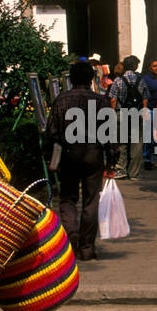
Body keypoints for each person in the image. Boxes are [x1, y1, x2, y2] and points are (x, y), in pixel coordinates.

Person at [45, 60, 117, 259]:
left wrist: (49, 158)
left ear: (71, 79)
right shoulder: (101, 101)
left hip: (69, 154)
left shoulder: (61, 100)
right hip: (93, 155)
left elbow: (51, 133)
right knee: (91, 199)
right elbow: (110, 135)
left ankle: (72, 237)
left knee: (67, 198)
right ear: (91, 78)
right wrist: (112, 160)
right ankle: (86, 247)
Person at [109, 54, 148, 180]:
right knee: (137, 144)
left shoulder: (118, 80)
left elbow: (113, 100)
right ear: (136, 66)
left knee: (121, 143)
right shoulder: (141, 80)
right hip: (136, 113)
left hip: (122, 113)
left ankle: (121, 169)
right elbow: (145, 97)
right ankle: (134, 173)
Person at [141, 59, 157, 170]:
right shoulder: (146, 79)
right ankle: (147, 159)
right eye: (154, 66)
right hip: (150, 109)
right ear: (150, 68)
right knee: (148, 136)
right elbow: (143, 95)